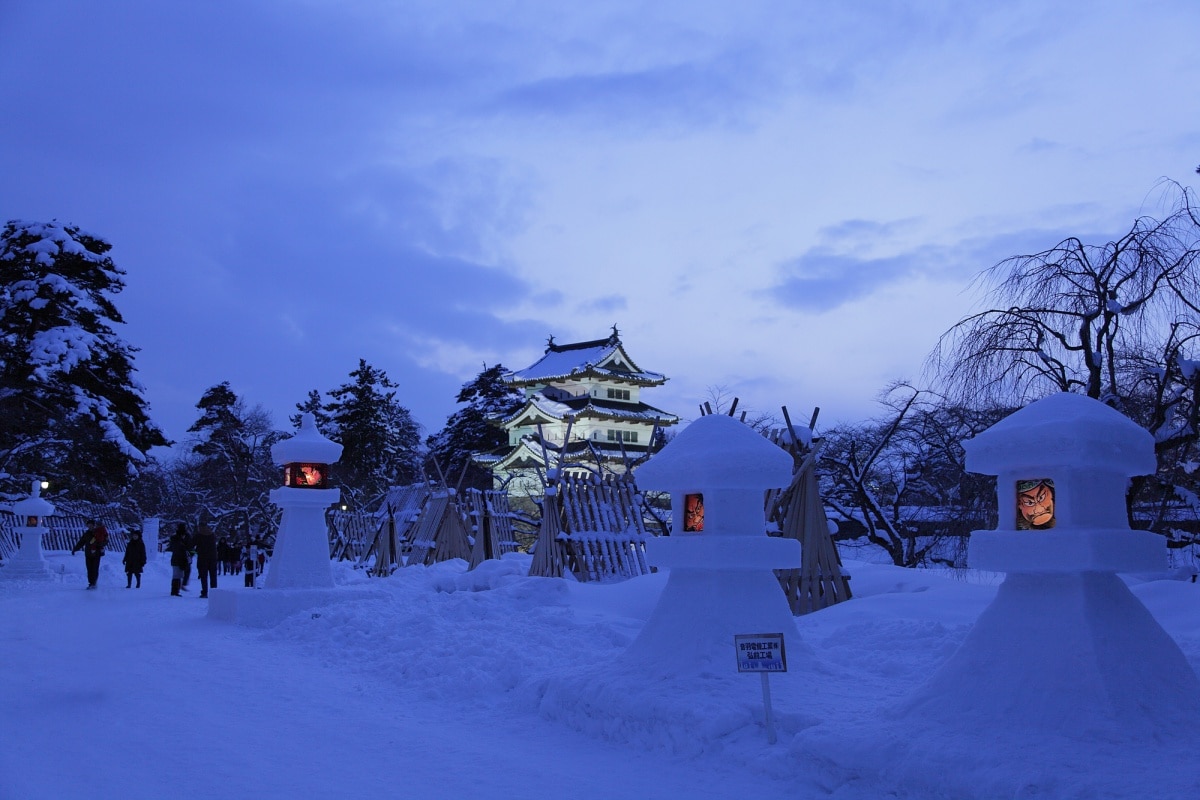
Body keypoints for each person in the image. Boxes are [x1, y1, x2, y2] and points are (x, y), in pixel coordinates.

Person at [71, 518, 109, 589]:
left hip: (96, 554)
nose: (90, 526)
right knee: (89, 569)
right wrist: (75, 549)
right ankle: (91, 583)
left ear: (94, 525)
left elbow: (106, 541)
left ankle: (94, 583)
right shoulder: (87, 534)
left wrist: (100, 544)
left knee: (95, 568)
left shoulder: (99, 532)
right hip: (88, 554)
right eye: (89, 525)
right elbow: (81, 542)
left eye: (92, 525)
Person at [193, 519, 219, 598]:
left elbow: (191, 545)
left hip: (202, 558)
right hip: (213, 558)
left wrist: (194, 552)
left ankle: (204, 592)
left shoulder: (198, 536)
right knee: (213, 576)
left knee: (204, 577)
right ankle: (214, 592)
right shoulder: (212, 535)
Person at [167, 525, 191, 596]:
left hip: (176, 560)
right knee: (177, 576)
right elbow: (180, 552)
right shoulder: (179, 542)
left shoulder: (176, 540)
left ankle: (175, 590)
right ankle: (175, 591)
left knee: (177, 576)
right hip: (178, 561)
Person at [173, 522, 193, 591]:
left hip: (184, 555)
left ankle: (181, 584)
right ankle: (180, 585)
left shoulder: (184, 536)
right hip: (183, 555)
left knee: (184, 571)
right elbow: (190, 546)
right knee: (183, 571)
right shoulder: (182, 536)